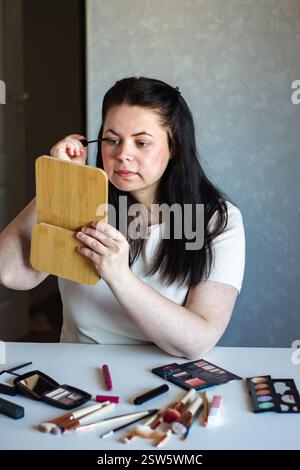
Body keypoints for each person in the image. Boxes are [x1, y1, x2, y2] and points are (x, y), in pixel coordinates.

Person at [0, 77, 245, 359]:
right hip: (76, 373)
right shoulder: (83, 202)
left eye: (141, 143)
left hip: (166, 377)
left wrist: (119, 275)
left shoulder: (217, 220)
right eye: (112, 140)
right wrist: (61, 184)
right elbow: (10, 273)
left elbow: (197, 340)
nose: (123, 155)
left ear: (174, 145)